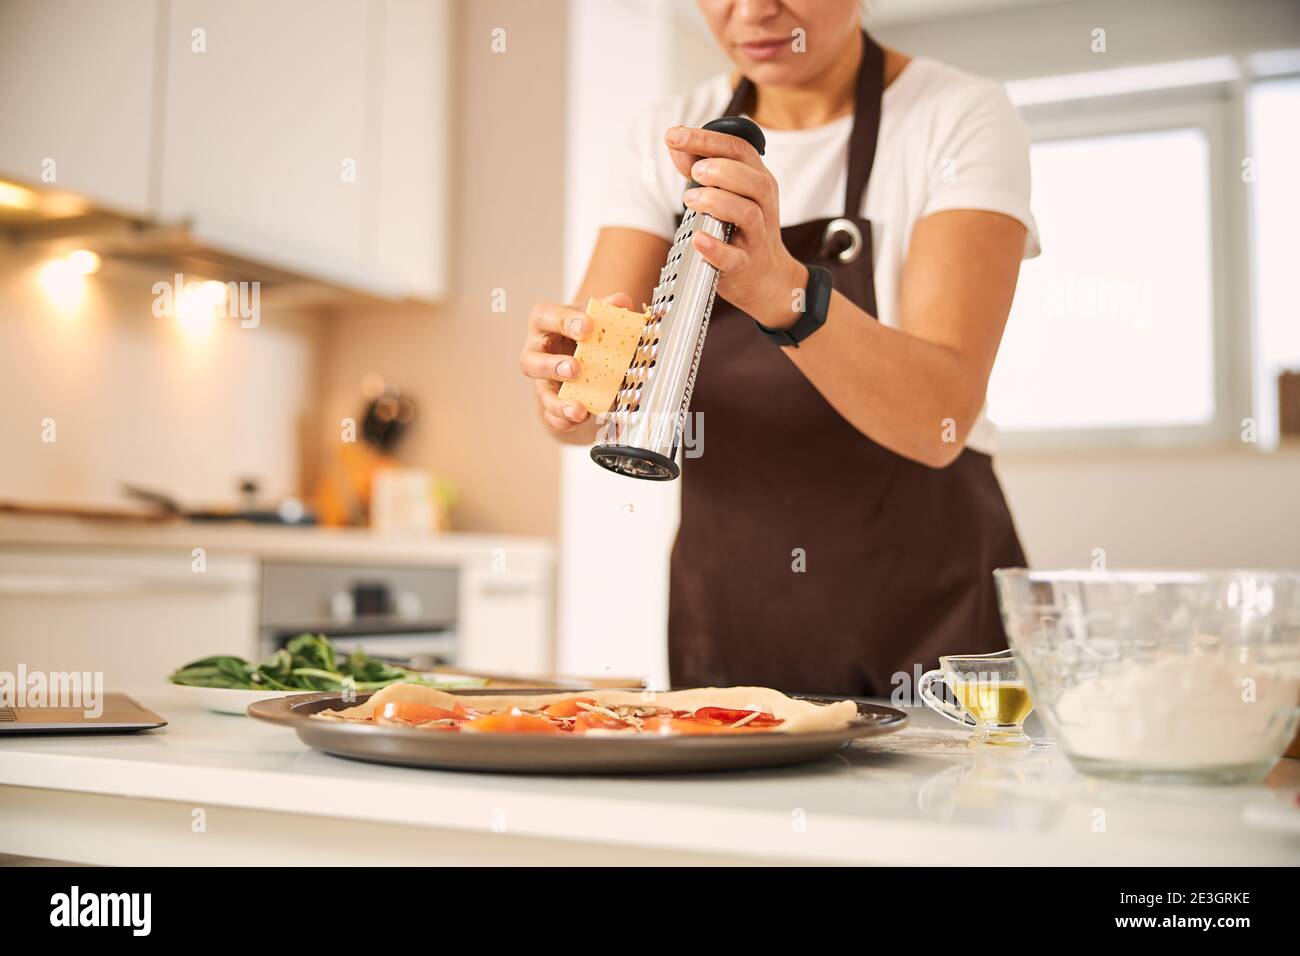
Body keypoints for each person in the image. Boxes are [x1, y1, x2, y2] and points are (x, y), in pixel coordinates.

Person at [520, 0, 1038, 696]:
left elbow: (939, 419)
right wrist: (570, 381)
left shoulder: (959, 116)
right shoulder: (666, 137)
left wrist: (783, 291)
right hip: (731, 609)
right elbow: (593, 407)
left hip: (930, 617)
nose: (757, 10)